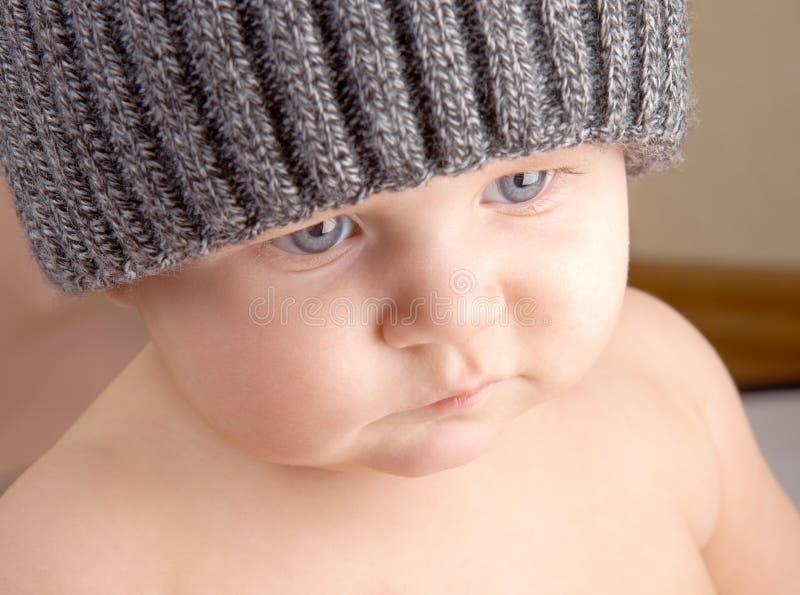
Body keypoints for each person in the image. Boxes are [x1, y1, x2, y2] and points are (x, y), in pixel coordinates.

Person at [0, 0, 798, 592]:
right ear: (126, 261)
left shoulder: (661, 381)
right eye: (318, 232)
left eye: (521, 183)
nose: (456, 313)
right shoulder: (75, 556)